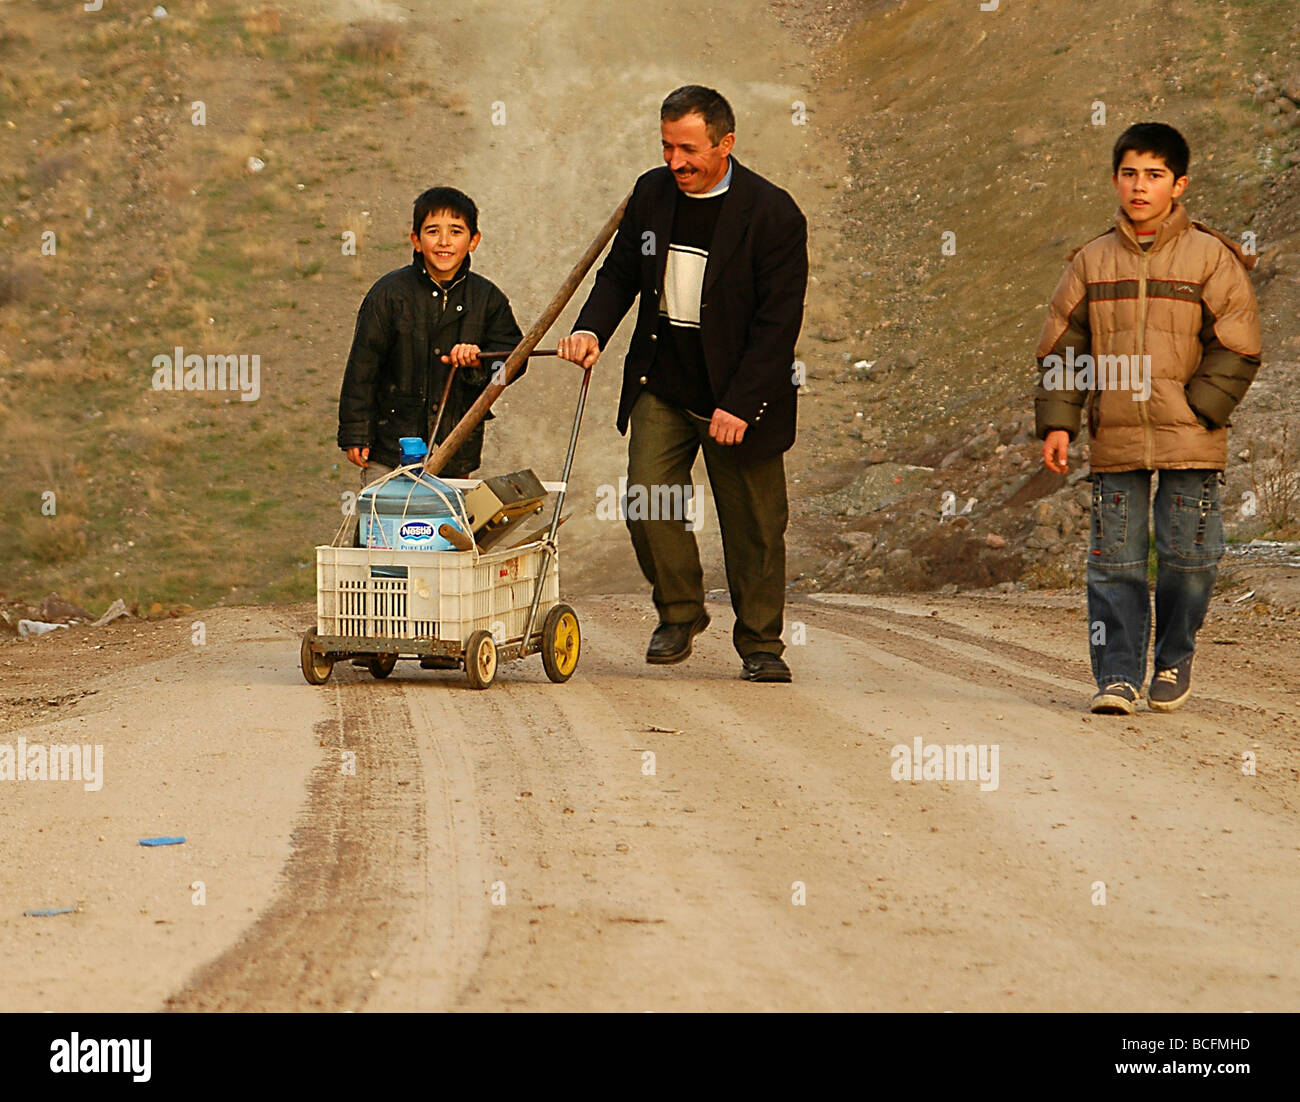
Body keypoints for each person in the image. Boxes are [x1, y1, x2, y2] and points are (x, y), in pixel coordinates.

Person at [558, 85, 808, 683]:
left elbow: (778, 326)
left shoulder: (773, 214)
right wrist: (591, 329)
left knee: (754, 525)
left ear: (727, 143)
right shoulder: (652, 192)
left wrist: (742, 404)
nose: (675, 162)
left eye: (688, 149)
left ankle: (761, 644)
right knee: (648, 499)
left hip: (739, 394)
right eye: (667, 146)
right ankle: (680, 613)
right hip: (662, 380)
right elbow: (621, 274)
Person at [1035, 122, 1262, 715]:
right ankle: (1116, 677)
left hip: (1191, 438)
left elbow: (1238, 344)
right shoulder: (1090, 260)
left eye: (1155, 176)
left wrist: (1199, 408)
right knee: (1116, 564)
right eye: (1130, 173)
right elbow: (1065, 347)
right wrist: (1060, 423)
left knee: (1189, 561)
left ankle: (1172, 658)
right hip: (1114, 437)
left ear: (1179, 184)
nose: (1140, 187)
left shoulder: (1211, 257)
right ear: (1115, 179)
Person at [338, 186, 523, 487]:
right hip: (389, 449)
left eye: (456, 231)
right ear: (416, 240)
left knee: (442, 530)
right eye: (433, 231)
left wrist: (478, 363)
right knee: (384, 526)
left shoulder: (488, 299)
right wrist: (356, 432)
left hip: (454, 450)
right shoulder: (388, 295)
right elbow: (363, 366)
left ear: (474, 240)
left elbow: (514, 361)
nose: (444, 242)